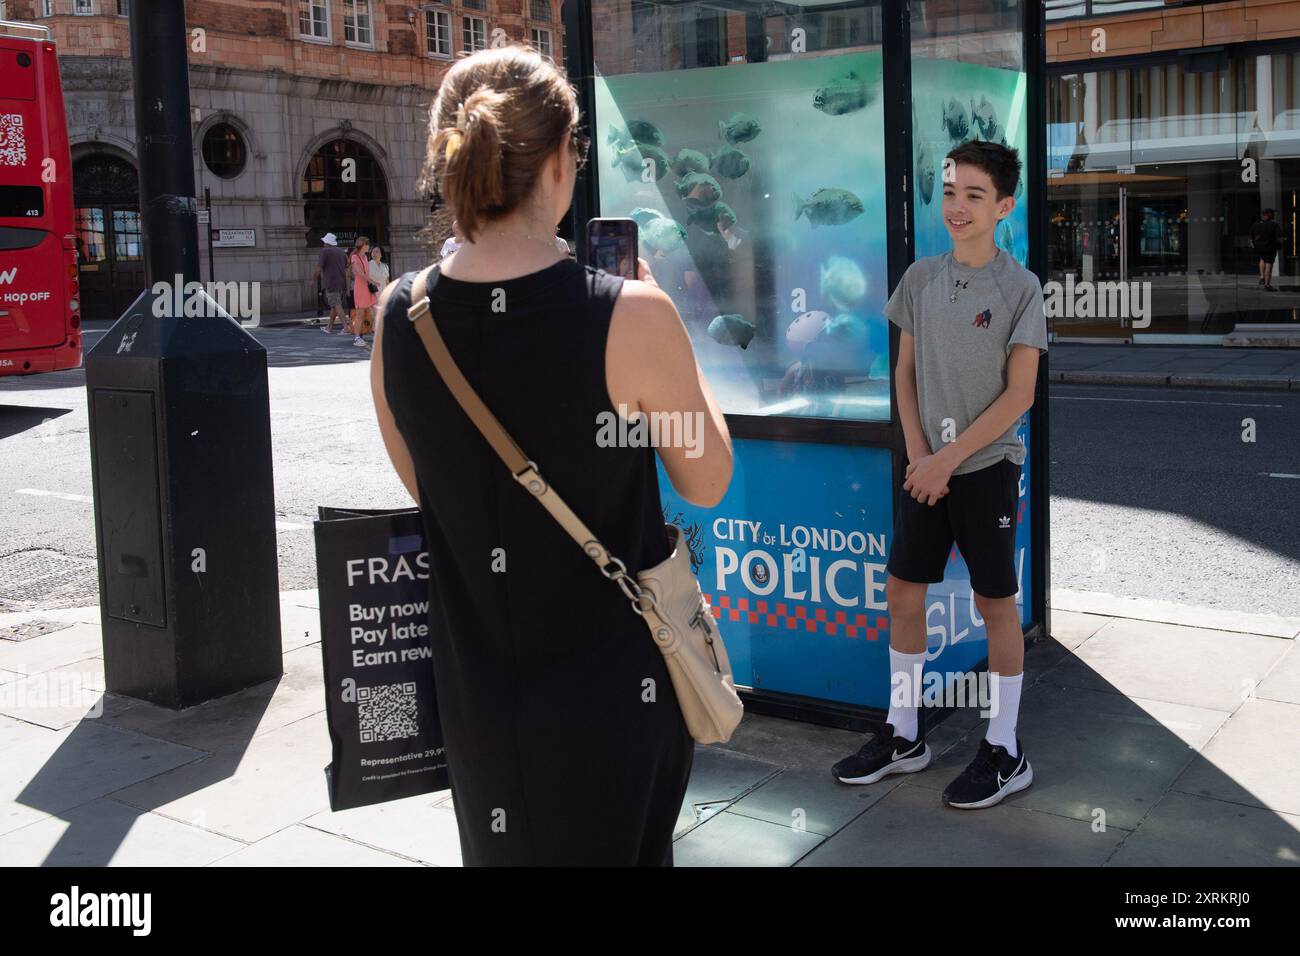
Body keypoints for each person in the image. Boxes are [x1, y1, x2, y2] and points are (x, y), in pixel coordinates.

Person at [368, 44, 732, 865]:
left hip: (480, 698)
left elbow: (436, 494)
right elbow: (707, 478)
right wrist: (666, 327)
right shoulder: (632, 315)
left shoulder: (400, 318)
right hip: (617, 696)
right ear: (563, 162)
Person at [831, 140, 1047, 810]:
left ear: (1004, 206)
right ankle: (904, 734)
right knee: (902, 593)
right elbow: (903, 373)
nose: (957, 207)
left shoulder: (1021, 288)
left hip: (983, 469)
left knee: (994, 605)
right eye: (951, 192)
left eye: (974, 196)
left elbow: (1019, 397)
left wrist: (945, 462)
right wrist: (921, 453)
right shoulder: (920, 279)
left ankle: (1005, 749)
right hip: (927, 465)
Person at [311, 232, 348, 334]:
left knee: (336, 304)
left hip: (331, 282)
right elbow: (347, 265)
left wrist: (313, 279)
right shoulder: (341, 252)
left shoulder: (325, 251)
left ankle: (346, 327)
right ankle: (329, 326)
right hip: (341, 282)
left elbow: (319, 267)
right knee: (334, 305)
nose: (323, 244)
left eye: (324, 242)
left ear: (327, 243)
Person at [349, 236, 376, 347]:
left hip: (366, 287)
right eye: (367, 244)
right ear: (363, 245)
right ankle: (357, 337)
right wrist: (372, 281)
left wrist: (371, 282)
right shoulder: (355, 257)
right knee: (360, 314)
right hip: (360, 287)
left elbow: (366, 273)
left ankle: (361, 335)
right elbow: (359, 273)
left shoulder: (365, 257)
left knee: (372, 310)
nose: (368, 247)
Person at [1251, 209, 1283, 291]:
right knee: (1269, 264)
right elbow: (1279, 235)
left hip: (1259, 247)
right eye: (1272, 214)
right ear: (1269, 215)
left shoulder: (1257, 224)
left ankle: (1262, 277)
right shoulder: (1273, 224)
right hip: (1269, 247)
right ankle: (1267, 284)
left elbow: (1253, 235)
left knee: (1262, 259)